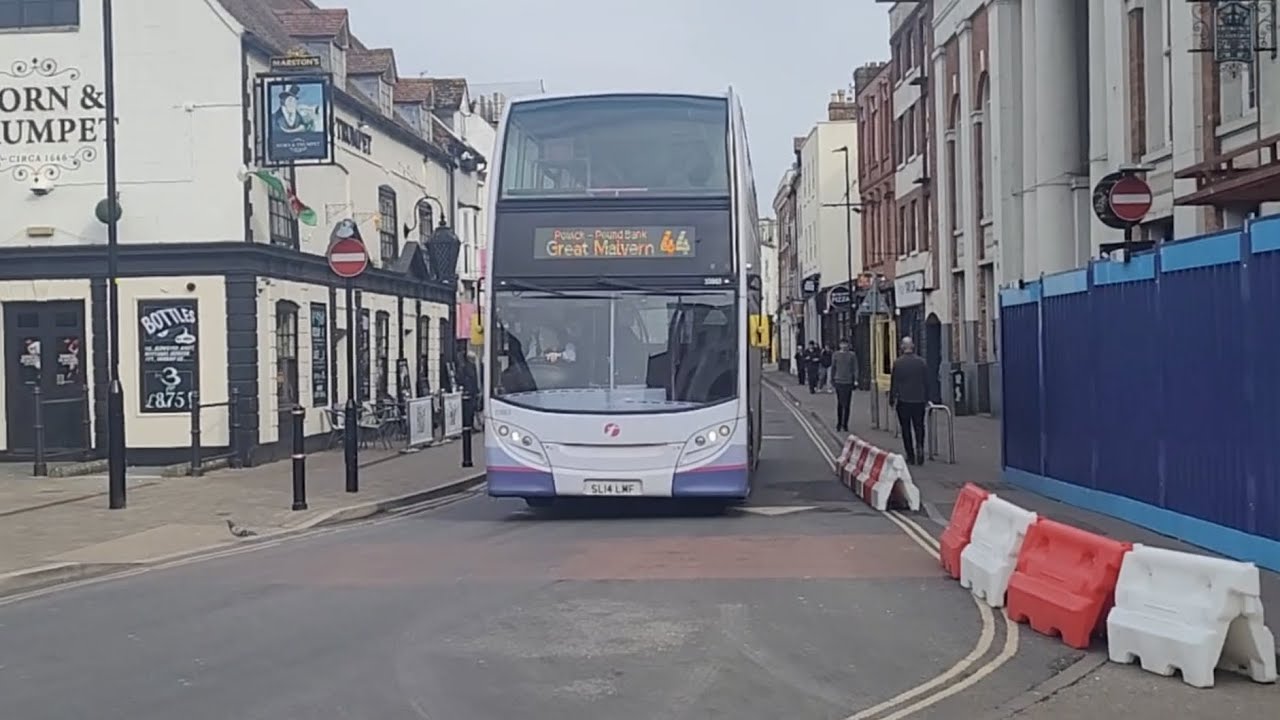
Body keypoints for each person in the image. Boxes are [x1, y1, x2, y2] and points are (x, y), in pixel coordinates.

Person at [889, 336, 929, 465]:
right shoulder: (922, 362)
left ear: (902, 347)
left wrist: (892, 399)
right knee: (919, 426)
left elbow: (894, 383)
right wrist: (928, 398)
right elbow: (927, 382)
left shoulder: (898, 363)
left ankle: (910, 455)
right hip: (919, 400)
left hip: (903, 400)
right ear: (913, 347)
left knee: (905, 428)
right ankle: (920, 447)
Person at [830, 340, 857, 432]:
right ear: (840, 345)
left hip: (848, 382)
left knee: (847, 404)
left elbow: (855, 368)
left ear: (848, 345)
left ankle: (845, 424)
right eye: (842, 344)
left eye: (846, 344)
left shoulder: (852, 355)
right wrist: (832, 379)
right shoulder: (836, 355)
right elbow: (833, 367)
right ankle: (839, 423)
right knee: (840, 403)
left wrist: (856, 379)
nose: (844, 346)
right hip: (839, 381)